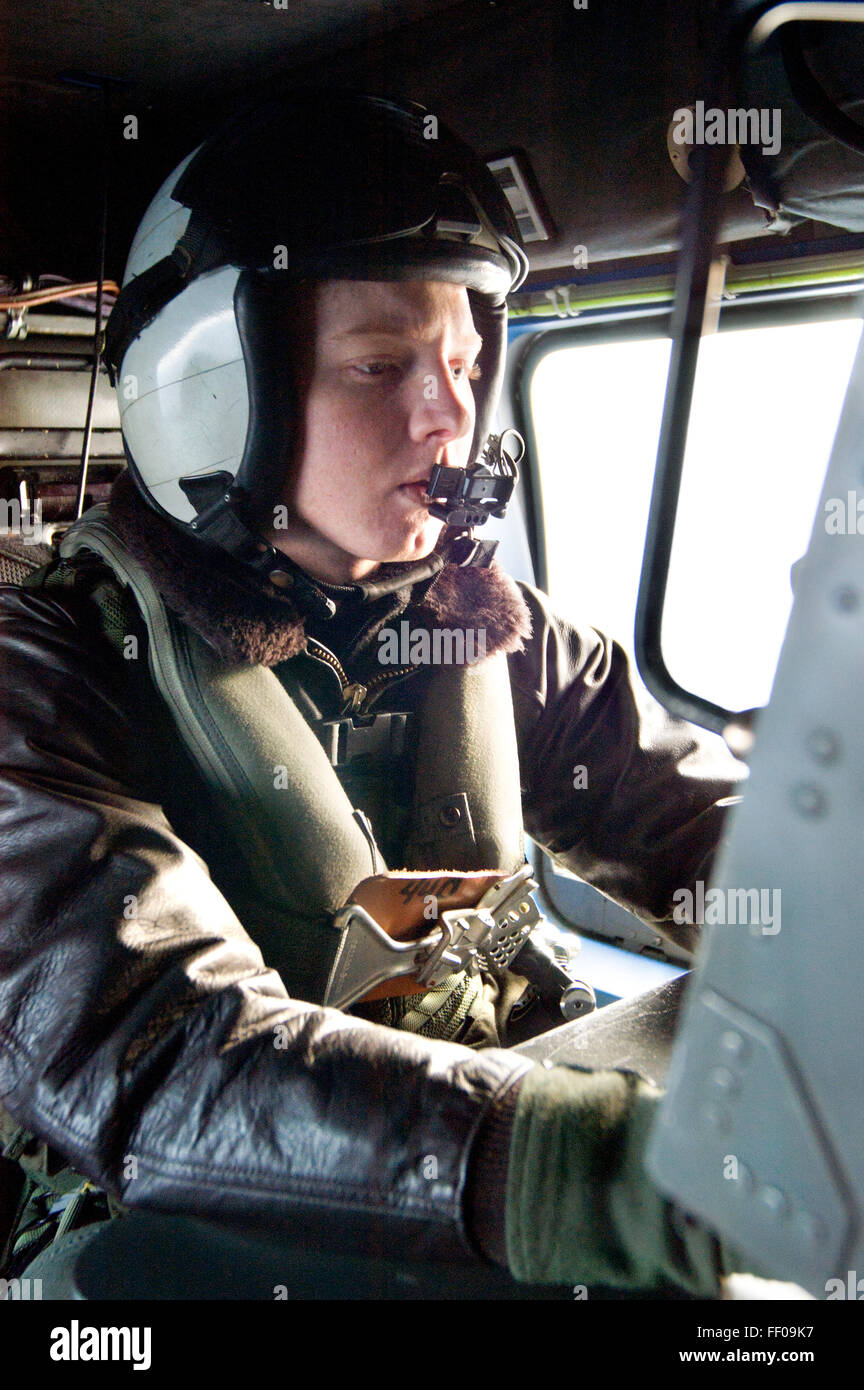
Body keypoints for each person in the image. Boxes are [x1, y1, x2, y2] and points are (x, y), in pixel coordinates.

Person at [0, 93, 748, 1294]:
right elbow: (148, 1066)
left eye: (461, 363)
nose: (450, 414)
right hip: (156, 1215)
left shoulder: (488, 630)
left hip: (461, 1156)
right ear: (210, 395)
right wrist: (581, 1177)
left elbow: (715, 834)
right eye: (380, 365)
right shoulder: (48, 673)